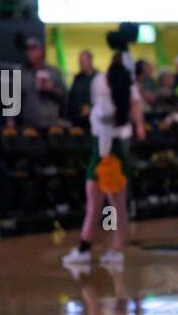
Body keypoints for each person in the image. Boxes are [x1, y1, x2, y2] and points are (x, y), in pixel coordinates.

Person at [62, 29, 146, 268]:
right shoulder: (124, 90)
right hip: (111, 148)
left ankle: (91, 248)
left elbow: (125, 77)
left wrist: (104, 158)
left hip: (105, 149)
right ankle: (107, 249)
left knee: (102, 203)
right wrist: (125, 49)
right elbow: (129, 79)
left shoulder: (103, 91)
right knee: (113, 204)